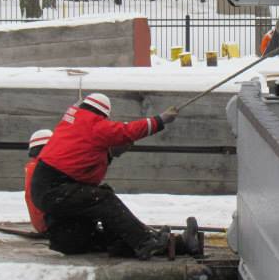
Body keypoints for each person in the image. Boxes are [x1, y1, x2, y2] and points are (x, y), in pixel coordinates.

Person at [31, 92, 191, 259]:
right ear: (103, 114)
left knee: (84, 220)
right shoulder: (94, 124)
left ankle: (119, 244)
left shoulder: (74, 120)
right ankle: (144, 242)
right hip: (55, 188)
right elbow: (127, 131)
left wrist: (108, 155)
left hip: (48, 189)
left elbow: (83, 155)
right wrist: (160, 120)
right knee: (103, 198)